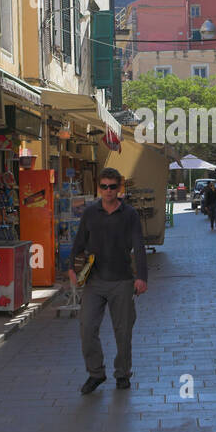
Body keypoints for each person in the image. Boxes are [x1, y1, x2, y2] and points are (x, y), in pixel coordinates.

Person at [68, 168, 148, 394]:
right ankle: (96, 373)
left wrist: (141, 276)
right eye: (104, 186)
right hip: (94, 281)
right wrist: (72, 268)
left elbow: (139, 246)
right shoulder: (90, 213)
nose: (108, 191)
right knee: (87, 328)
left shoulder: (129, 214)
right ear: (99, 188)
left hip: (122, 281)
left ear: (119, 188)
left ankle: (122, 373)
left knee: (123, 331)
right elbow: (79, 242)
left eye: (112, 186)